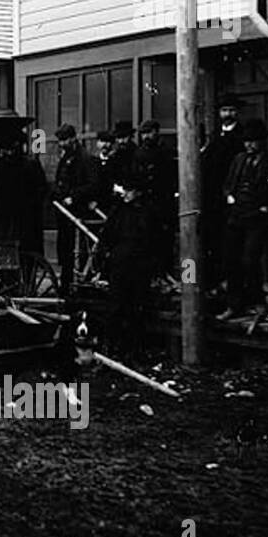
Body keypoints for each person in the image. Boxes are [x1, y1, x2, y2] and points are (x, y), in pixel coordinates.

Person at [216, 119, 268, 322]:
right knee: (230, 260)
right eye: (246, 141)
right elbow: (227, 183)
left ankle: (258, 303)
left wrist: (264, 207)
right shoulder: (239, 160)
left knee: (250, 260)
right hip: (236, 216)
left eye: (254, 141)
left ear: (262, 142)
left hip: (257, 219)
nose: (249, 145)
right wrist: (229, 196)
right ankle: (235, 305)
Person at [98, 182, 157, 361]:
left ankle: (132, 349)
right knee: (117, 305)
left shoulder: (145, 211)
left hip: (137, 264)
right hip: (122, 262)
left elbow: (150, 238)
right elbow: (107, 235)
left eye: (129, 190)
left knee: (135, 307)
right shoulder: (120, 211)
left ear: (137, 192)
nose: (125, 194)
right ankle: (114, 347)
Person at [200, 94, 245, 296]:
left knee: (232, 249)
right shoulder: (214, 137)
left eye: (232, 110)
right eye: (225, 110)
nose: (228, 114)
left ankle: (233, 291)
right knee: (210, 245)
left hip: (231, 199)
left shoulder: (242, 137)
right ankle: (210, 287)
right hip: (212, 200)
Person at [51, 123, 100, 294]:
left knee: (77, 248)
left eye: (65, 140)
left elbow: (92, 185)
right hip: (64, 212)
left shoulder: (85, 158)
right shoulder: (66, 158)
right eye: (60, 140)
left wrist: (74, 196)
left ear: (73, 138)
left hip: (77, 211)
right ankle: (66, 284)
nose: (62, 144)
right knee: (65, 249)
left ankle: (77, 283)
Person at [0, 136, 48, 255]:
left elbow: (41, 190)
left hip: (22, 217)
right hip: (15, 217)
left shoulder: (29, 165)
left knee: (19, 250)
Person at [133, 118, 177, 276]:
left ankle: (176, 277)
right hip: (146, 206)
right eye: (143, 133)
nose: (146, 137)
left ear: (156, 133)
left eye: (149, 133)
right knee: (147, 243)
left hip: (164, 204)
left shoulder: (167, 152)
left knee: (167, 244)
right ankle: (152, 278)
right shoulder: (139, 153)